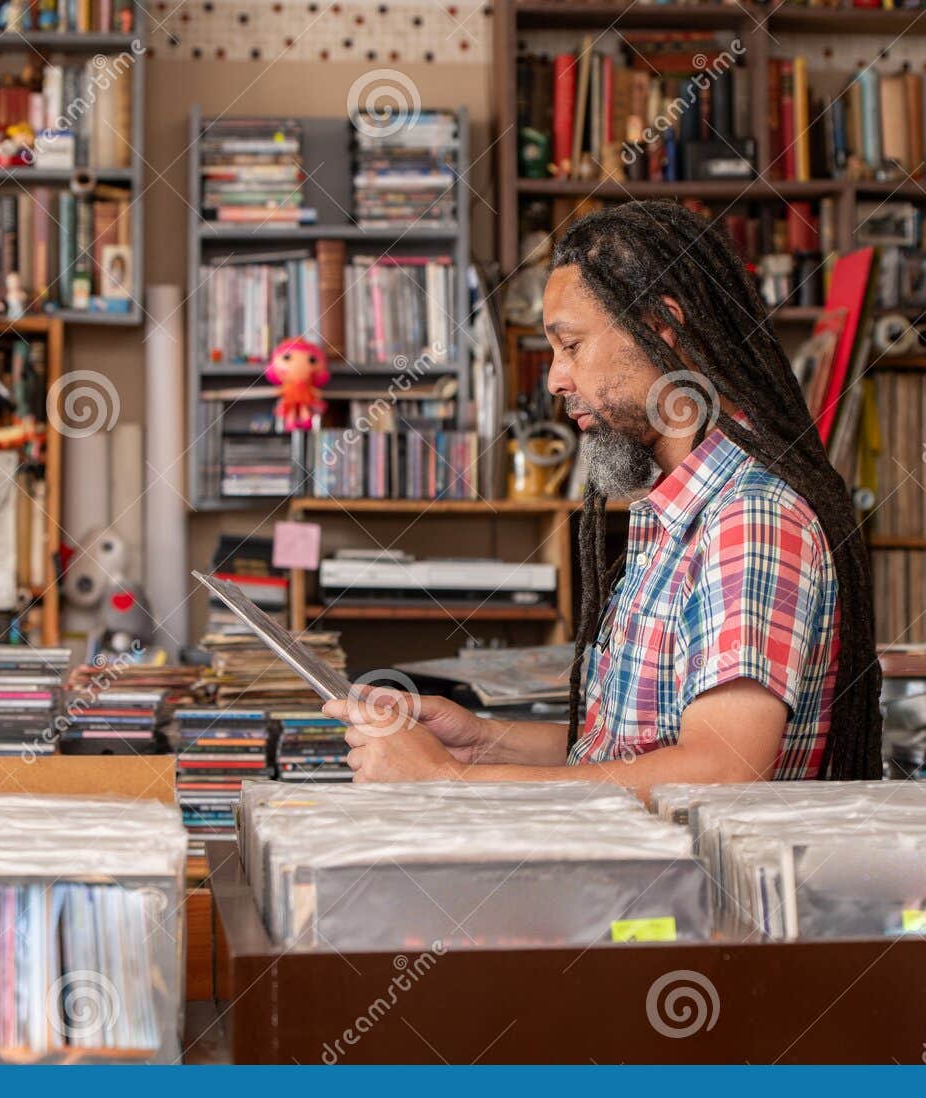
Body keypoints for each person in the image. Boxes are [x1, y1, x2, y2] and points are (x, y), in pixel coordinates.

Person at [323, 200, 881, 789]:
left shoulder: (749, 517)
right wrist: (480, 742)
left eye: (572, 346)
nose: (555, 379)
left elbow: (721, 770)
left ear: (662, 330)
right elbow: (625, 752)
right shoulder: (677, 512)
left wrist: (443, 781)